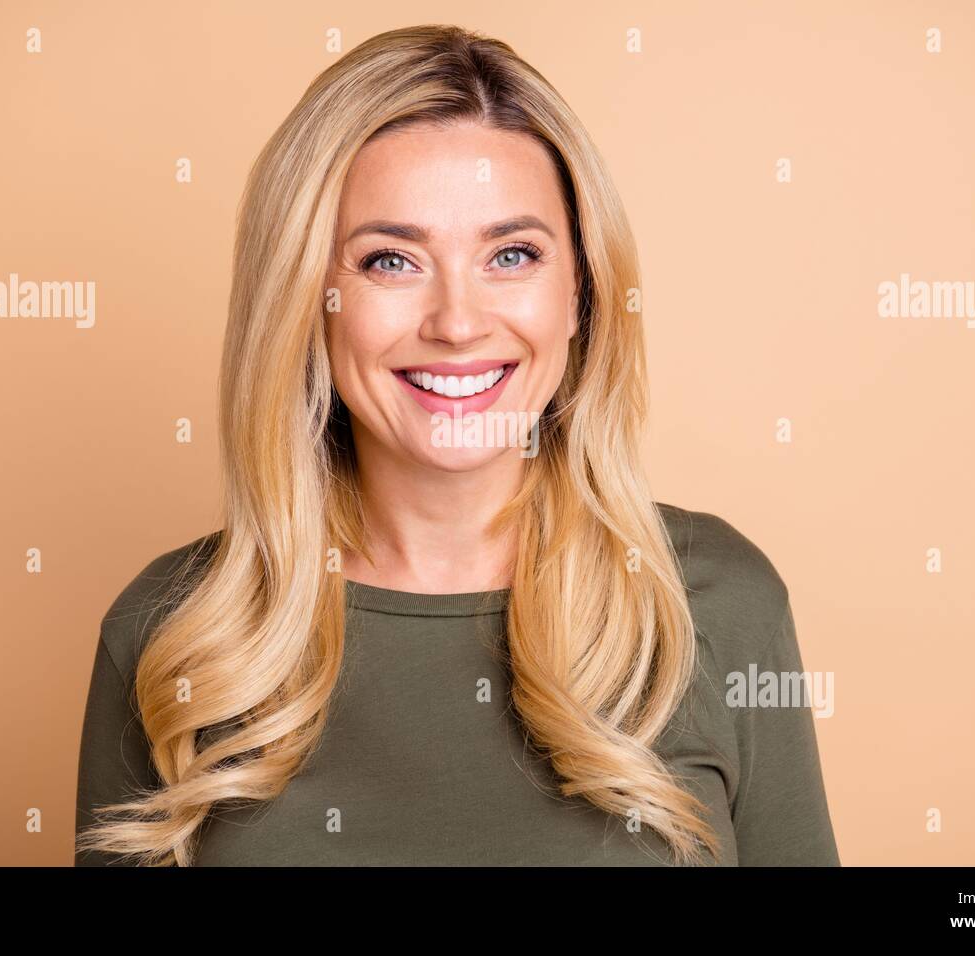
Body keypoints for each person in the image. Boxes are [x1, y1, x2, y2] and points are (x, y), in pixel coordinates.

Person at [74, 23, 839, 867]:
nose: (458, 323)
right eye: (391, 261)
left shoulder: (718, 607)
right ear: (304, 298)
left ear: (580, 293)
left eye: (512, 254)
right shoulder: (174, 636)